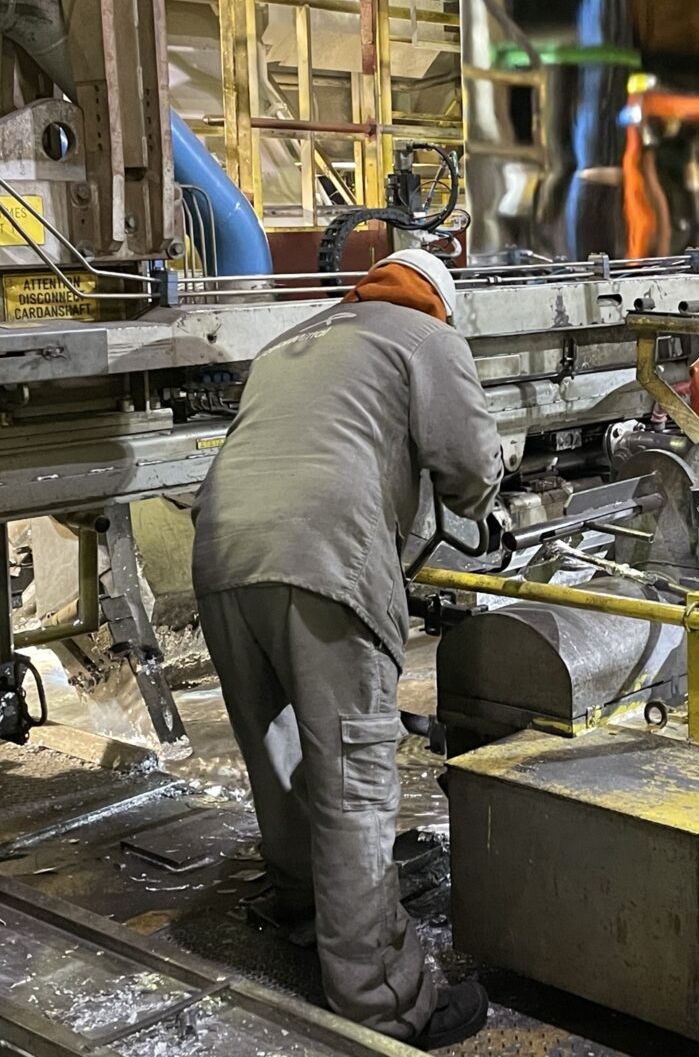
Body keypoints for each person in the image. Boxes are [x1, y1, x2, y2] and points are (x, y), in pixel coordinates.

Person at [192, 249, 502, 1049]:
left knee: (281, 748)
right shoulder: (426, 337)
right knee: (354, 779)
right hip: (324, 556)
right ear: (443, 302)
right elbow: (471, 465)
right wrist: (486, 504)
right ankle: (383, 1001)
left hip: (223, 552)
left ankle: (302, 903)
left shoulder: (294, 338)